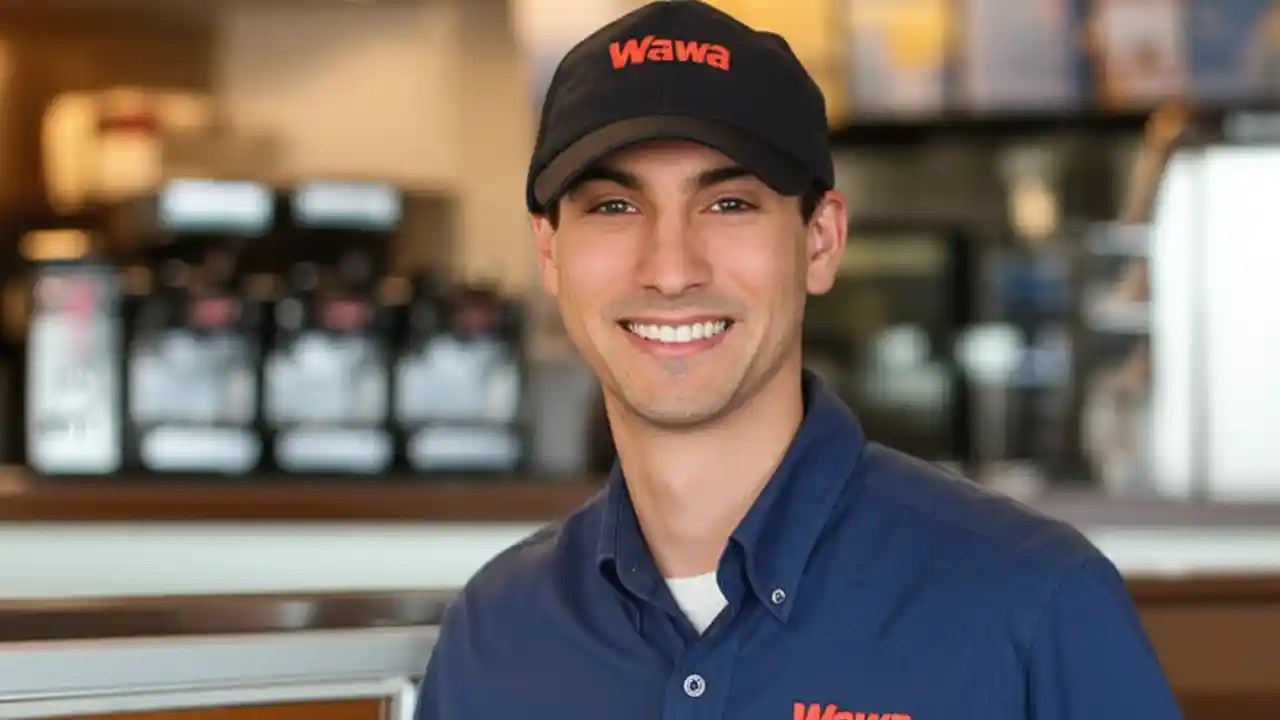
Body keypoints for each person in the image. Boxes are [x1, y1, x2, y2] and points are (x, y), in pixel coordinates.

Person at [414, 2, 1181, 718]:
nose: (671, 269)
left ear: (821, 241)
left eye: (728, 204)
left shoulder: (1034, 605)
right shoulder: (494, 635)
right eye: (614, 207)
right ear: (549, 253)